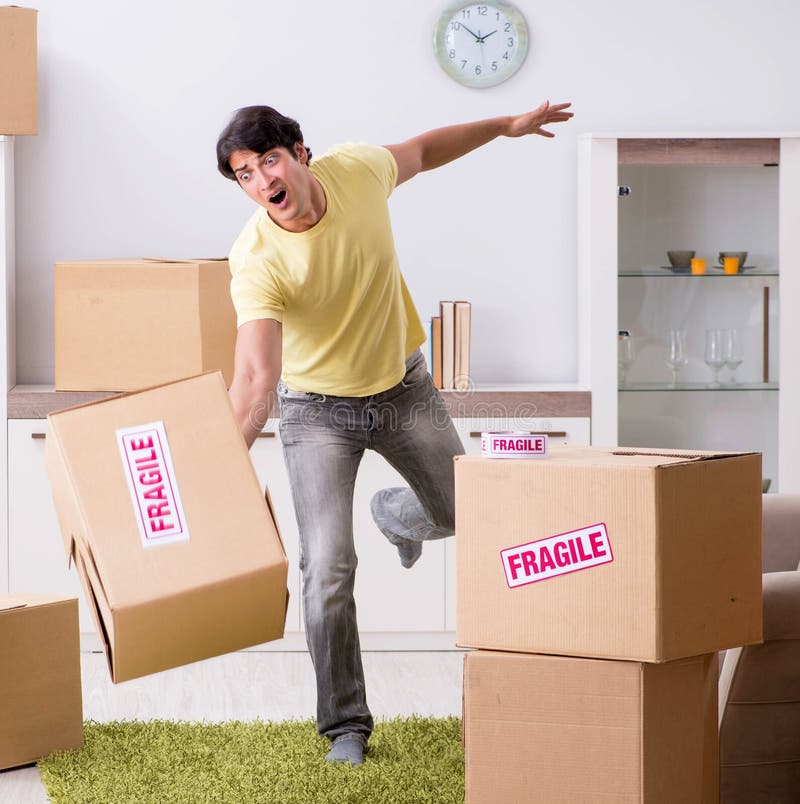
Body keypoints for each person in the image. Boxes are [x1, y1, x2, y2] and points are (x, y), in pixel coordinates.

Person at [215, 99, 573, 766]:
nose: (263, 182)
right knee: (326, 567)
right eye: (244, 174)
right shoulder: (257, 258)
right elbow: (256, 380)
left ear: (299, 152)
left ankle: (398, 514)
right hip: (318, 412)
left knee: (473, 514)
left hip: (404, 390)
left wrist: (504, 127)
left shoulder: (356, 172)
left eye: (268, 160)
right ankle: (344, 727)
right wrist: (219, 482)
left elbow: (425, 150)